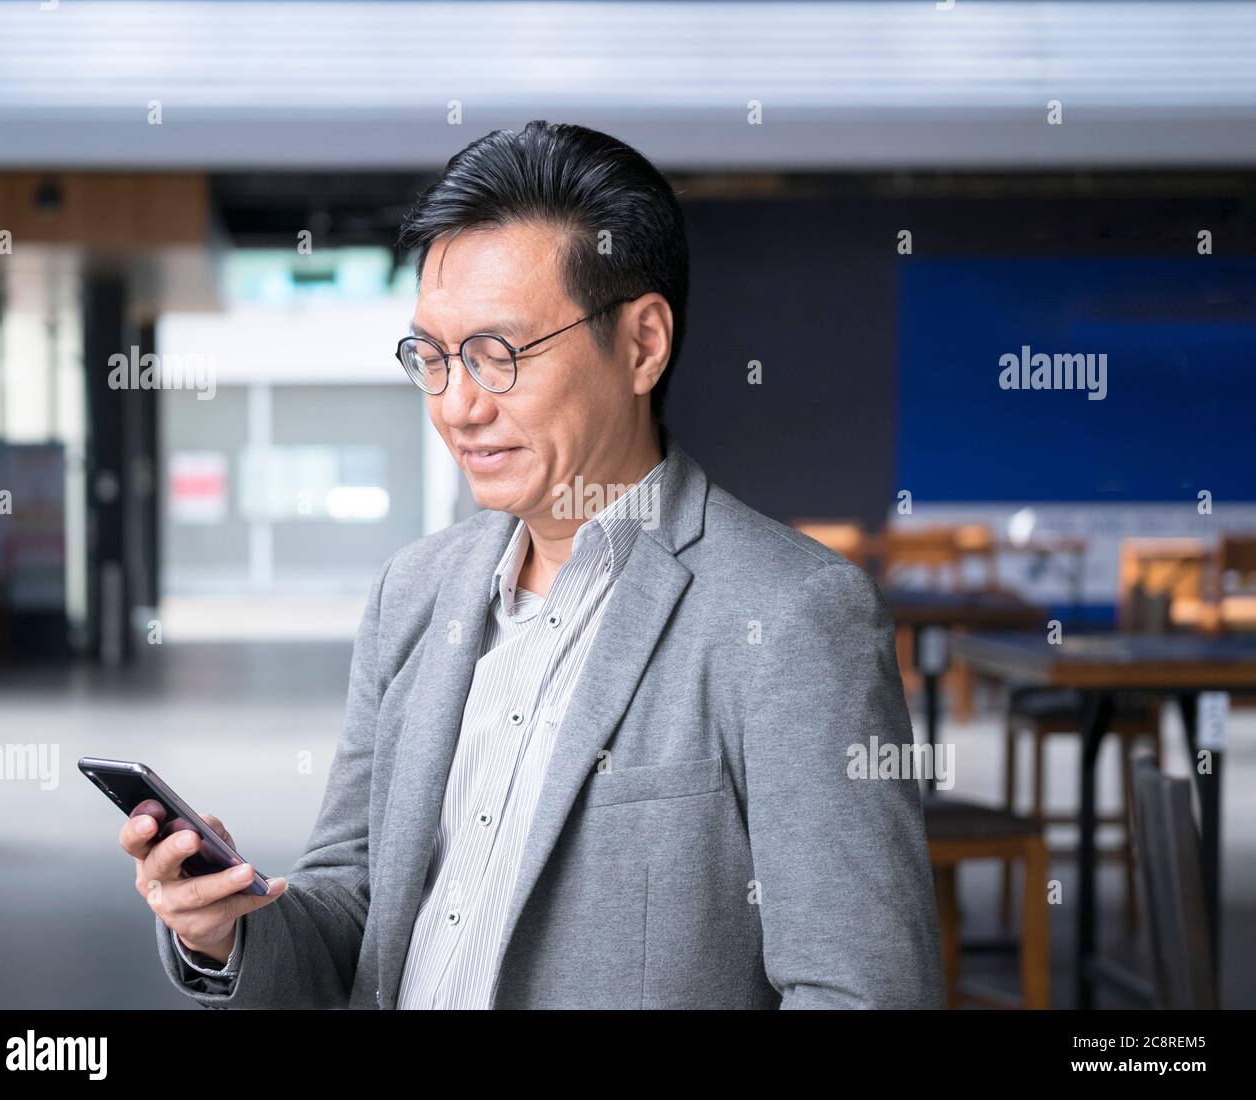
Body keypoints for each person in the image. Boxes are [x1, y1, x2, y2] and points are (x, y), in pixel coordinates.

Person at [120, 120, 944, 1009]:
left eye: (497, 354)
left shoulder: (790, 615)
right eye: (432, 357)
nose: (458, 405)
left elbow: (862, 991)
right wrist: (229, 927)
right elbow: (355, 908)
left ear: (642, 344)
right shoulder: (414, 593)